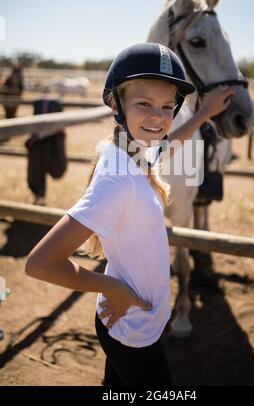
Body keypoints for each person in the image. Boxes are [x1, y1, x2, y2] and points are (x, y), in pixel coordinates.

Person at [25, 42, 234, 387]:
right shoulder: (120, 179)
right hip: (132, 330)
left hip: (133, 322)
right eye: (144, 104)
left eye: (168, 106)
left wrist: (202, 114)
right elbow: (40, 263)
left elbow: (169, 144)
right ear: (115, 104)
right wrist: (113, 289)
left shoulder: (130, 150)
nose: (158, 117)